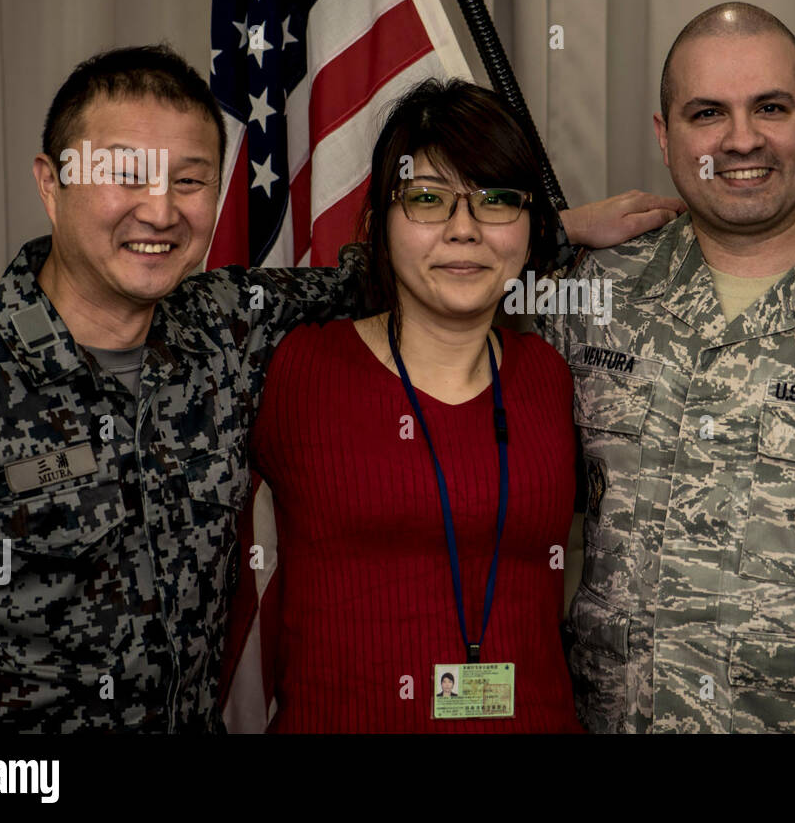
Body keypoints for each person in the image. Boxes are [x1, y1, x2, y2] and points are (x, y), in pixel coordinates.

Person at [0, 47, 677, 732]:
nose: (159, 209)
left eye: (189, 180)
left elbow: (408, 267)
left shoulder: (225, 336)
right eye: (122, 174)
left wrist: (549, 228)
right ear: (52, 184)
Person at [535, 2, 795, 732]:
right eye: (707, 113)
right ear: (665, 137)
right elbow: (406, 292)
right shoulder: (587, 298)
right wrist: (546, 232)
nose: (741, 139)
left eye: (770, 106)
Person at [245, 79, 585, 732]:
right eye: (427, 200)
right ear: (377, 225)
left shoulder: (554, 375)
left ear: (532, 227)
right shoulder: (295, 367)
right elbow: (132, 319)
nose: (464, 230)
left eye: (496, 202)